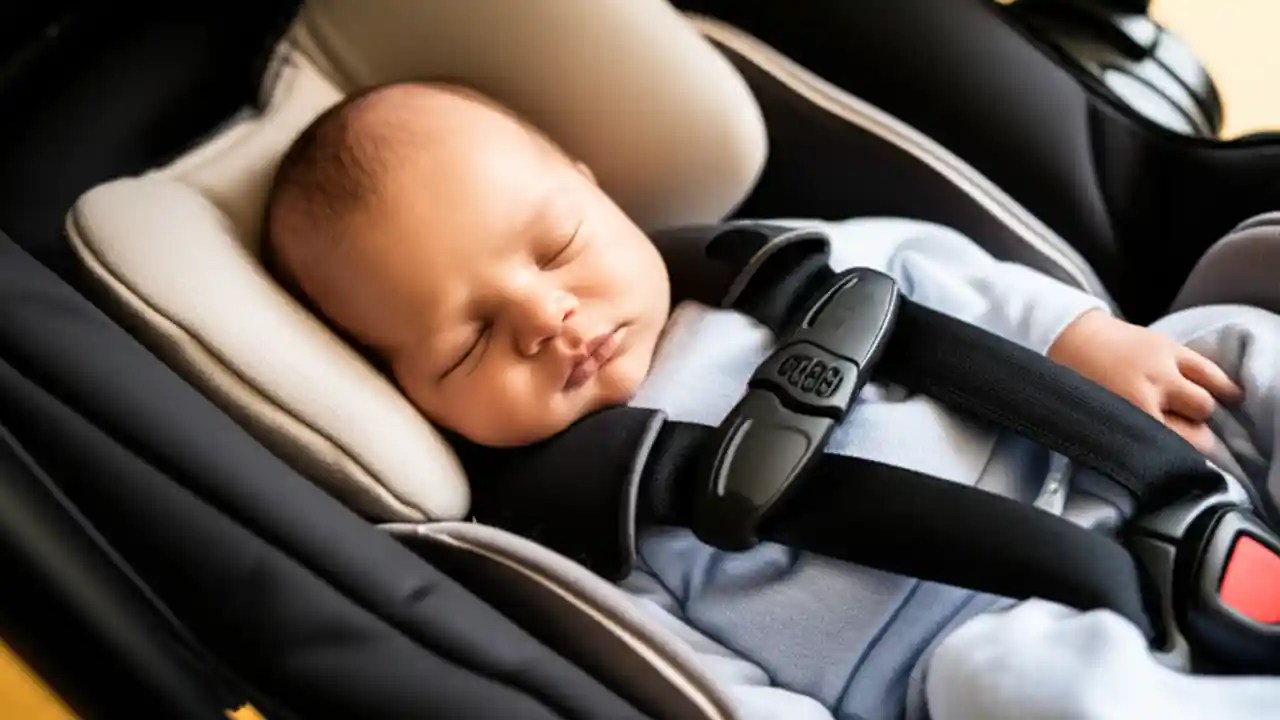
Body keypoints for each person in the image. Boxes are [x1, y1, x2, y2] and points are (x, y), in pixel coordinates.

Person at [263, 80, 1280, 720]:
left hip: (1110, 438)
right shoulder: (578, 525)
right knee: (1014, 690)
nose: (545, 316)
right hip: (972, 635)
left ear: (597, 189)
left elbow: (940, 275)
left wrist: (1083, 339)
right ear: (403, 391)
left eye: (556, 248)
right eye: (469, 339)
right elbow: (693, 676)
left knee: (1224, 339)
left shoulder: (769, 271)